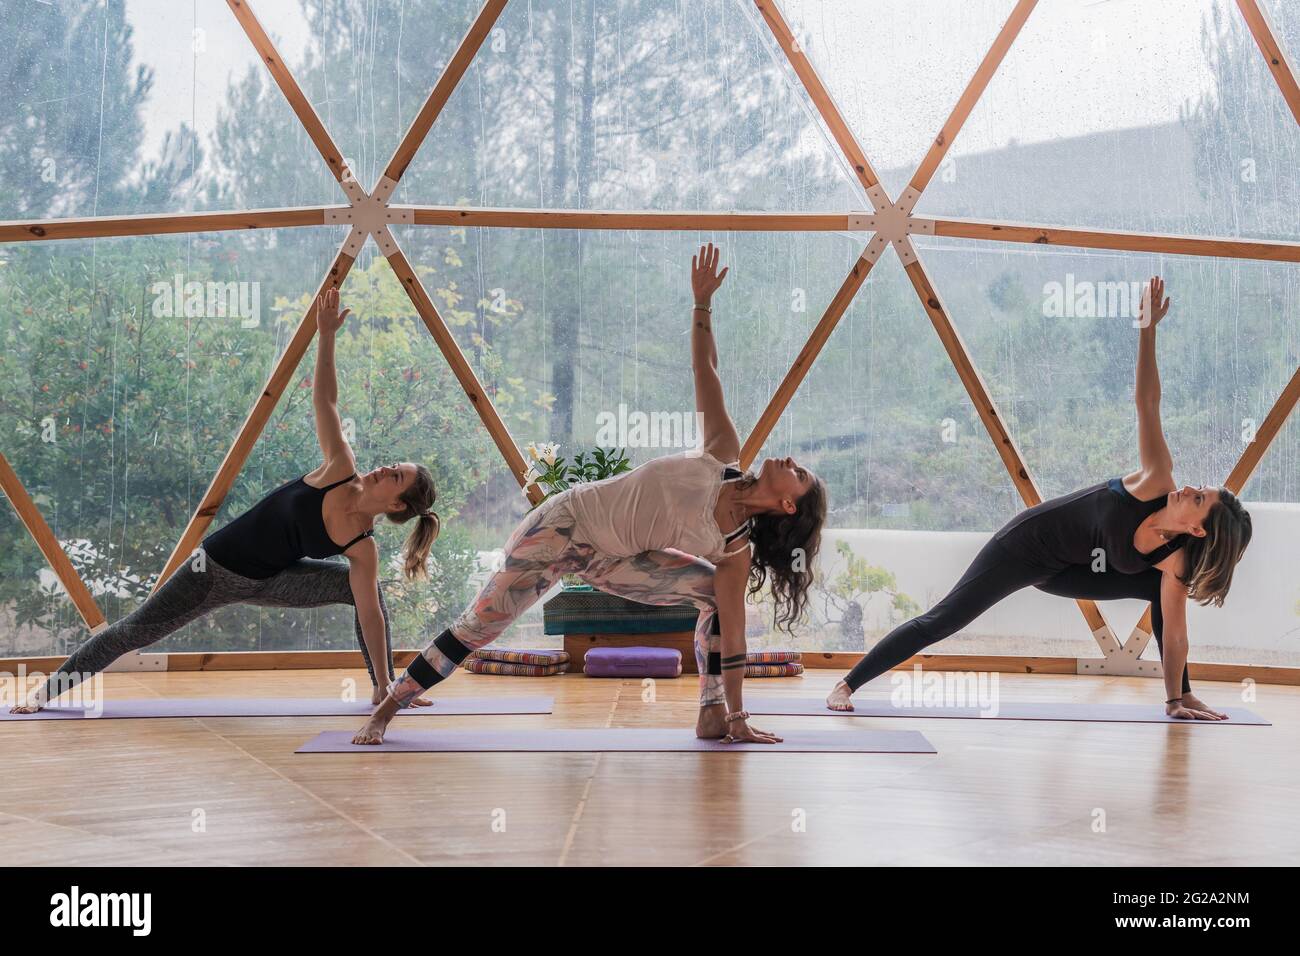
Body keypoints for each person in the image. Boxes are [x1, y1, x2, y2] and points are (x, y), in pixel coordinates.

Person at [352, 243, 828, 745]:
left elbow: (734, 641)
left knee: (722, 601)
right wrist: (702, 303)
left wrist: (738, 716)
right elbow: (705, 371)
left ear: (787, 505)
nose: (789, 462)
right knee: (479, 627)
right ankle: (387, 707)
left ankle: (713, 715)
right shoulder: (721, 456)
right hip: (562, 526)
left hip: (611, 561)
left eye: (798, 474)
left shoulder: (734, 551)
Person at [826, 277, 1252, 720]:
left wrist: (1174, 701)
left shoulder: (1177, 559)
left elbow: (1177, 631)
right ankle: (847, 681)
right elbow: (1148, 402)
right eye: (1198, 488)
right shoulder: (1156, 479)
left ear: (1198, 528)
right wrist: (1147, 330)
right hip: (1027, 547)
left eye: (1199, 497)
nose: (1189, 488)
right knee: (947, 619)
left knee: (1163, 594)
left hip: (1072, 573)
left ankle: (1179, 698)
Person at [11, 288, 441, 713]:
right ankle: (43, 694)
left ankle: (380, 688)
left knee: (365, 592)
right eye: (392, 465)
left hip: (272, 579)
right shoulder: (340, 468)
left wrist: (389, 682)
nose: (385, 468)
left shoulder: (362, 548)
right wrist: (326, 334)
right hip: (212, 571)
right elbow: (325, 400)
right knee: (135, 632)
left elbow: (371, 616)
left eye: (396, 476)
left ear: (397, 505)